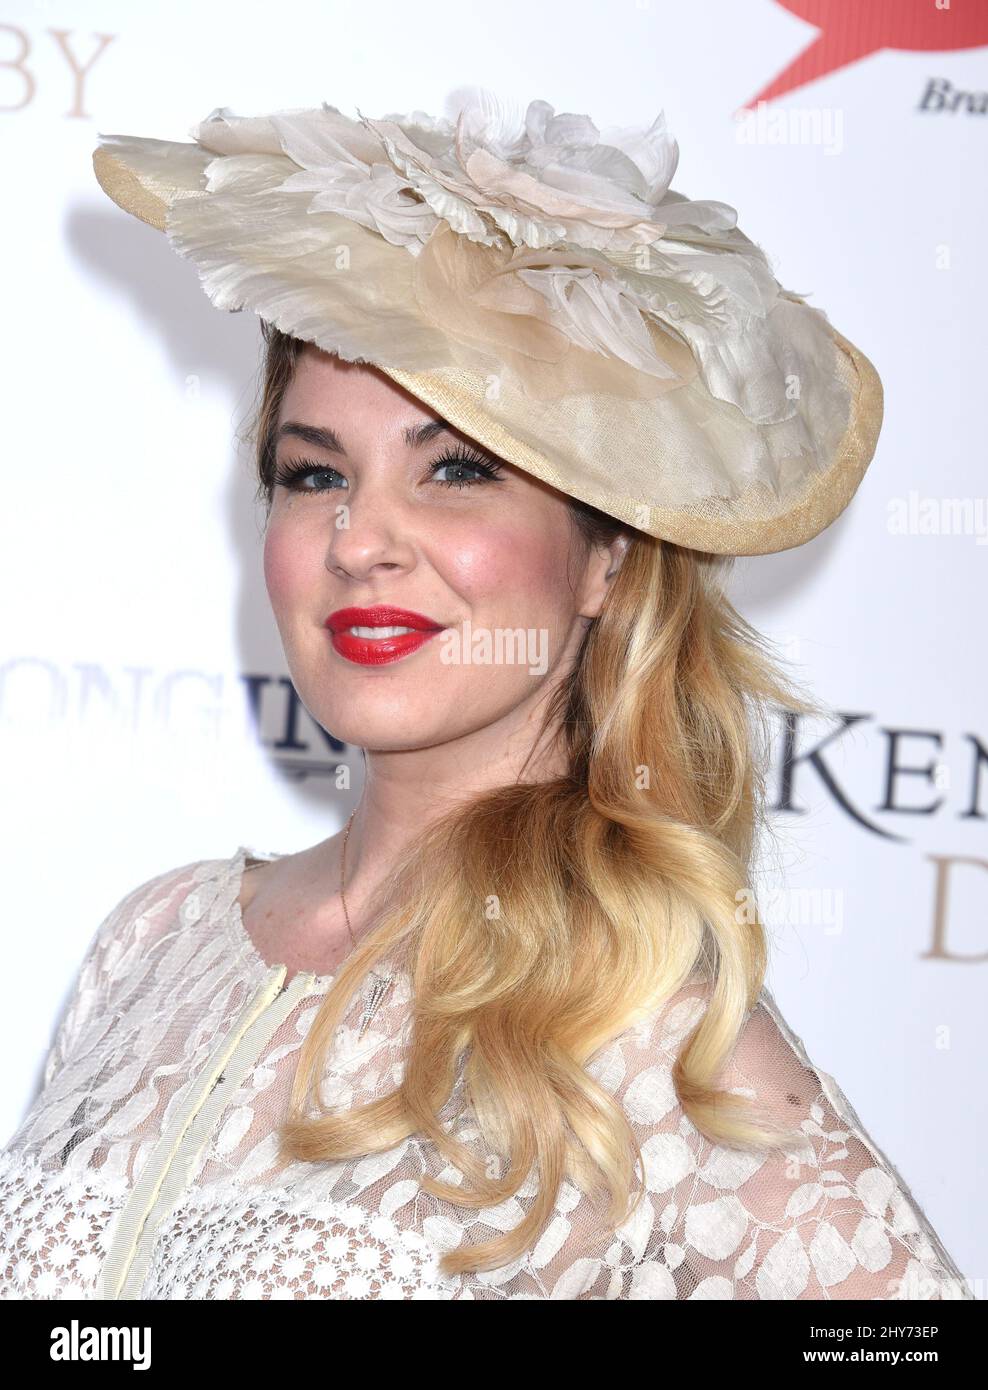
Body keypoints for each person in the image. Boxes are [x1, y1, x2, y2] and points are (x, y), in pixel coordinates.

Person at [0, 94, 972, 1301]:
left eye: (455, 468)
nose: (360, 539)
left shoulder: (639, 1018)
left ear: (608, 555)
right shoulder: (154, 937)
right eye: (314, 474)